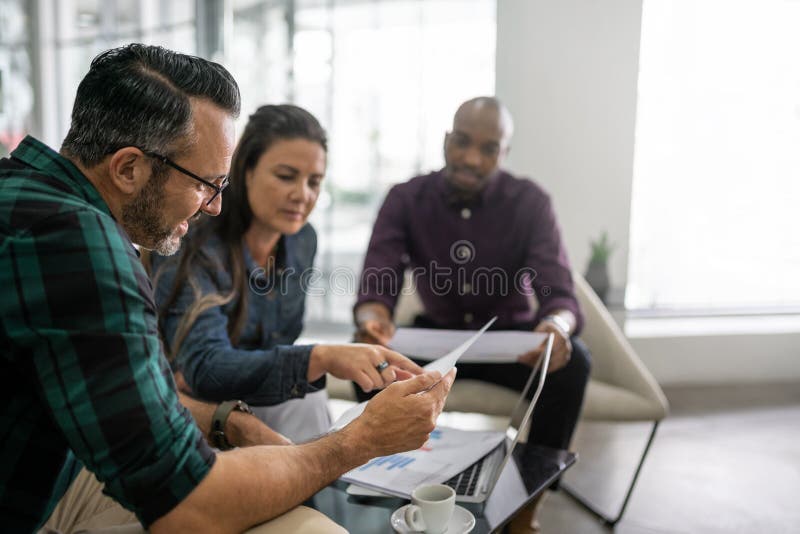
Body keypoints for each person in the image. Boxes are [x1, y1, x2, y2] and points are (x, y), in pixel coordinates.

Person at [0, 43, 455, 533]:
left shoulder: (23, 191)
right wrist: (360, 440)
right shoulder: (86, 249)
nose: (213, 206)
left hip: (62, 466)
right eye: (206, 183)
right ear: (128, 168)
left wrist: (227, 419)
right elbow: (189, 505)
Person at [353, 96, 591, 531]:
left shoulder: (530, 201)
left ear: (504, 153)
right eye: (461, 142)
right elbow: (379, 276)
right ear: (446, 140)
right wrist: (372, 318)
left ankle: (527, 509)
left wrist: (557, 325)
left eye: (488, 149)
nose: (470, 158)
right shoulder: (406, 198)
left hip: (510, 342)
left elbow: (557, 290)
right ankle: (382, 484)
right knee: (366, 357)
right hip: (435, 337)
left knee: (574, 364)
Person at [150, 104, 421, 443]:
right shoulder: (194, 243)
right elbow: (206, 370)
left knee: (310, 403)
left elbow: (276, 346)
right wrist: (319, 356)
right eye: (286, 176)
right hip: (187, 405)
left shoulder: (302, 241)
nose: (302, 195)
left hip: (254, 394)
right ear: (246, 171)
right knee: (307, 403)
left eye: (314, 182)